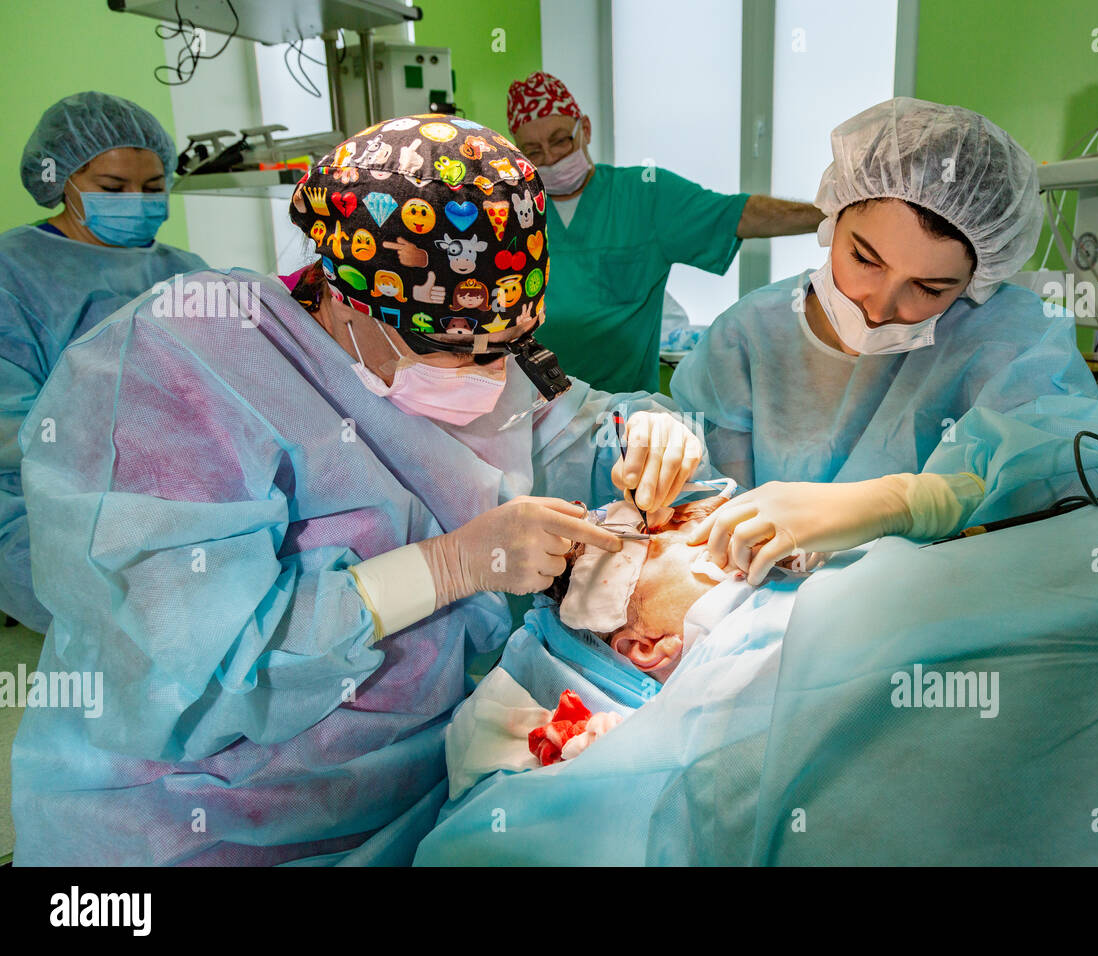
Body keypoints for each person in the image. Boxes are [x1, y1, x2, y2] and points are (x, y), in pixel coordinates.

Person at [10, 112, 706, 866]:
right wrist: (448, 567)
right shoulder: (182, 367)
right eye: (456, 349)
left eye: (506, 346)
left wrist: (644, 430)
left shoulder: (470, 334)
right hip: (206, 816)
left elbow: (570, 422)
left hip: (419, 785)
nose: (487, 375)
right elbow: (194, 668)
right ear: (348, 297)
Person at [671, 98, 1098, 584]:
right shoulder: (748, 336)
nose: (880, 307)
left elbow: (1087, 472)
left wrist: (908, 502)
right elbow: (706, 500)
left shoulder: (1009, 338)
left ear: (979, 278)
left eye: (930, 288)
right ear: (832, 220)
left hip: (923, 619)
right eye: (864, 259)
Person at [0, 91, 206, 632]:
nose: (136, 201)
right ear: (61, 181)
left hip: (187, 478)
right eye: (113, 189)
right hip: (46, 493)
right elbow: (12, 431)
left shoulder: (186, 270)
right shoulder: (13, 272)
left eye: (154, 188)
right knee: (137, 625)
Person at [506, 71, 824, 394]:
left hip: (623, 412)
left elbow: (737, 215)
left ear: (585, 129)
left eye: (560, 141)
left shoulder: (645, 195)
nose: (550, 158)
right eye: (533, 150)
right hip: (535, 410)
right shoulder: (513, 214)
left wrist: (833, 212)